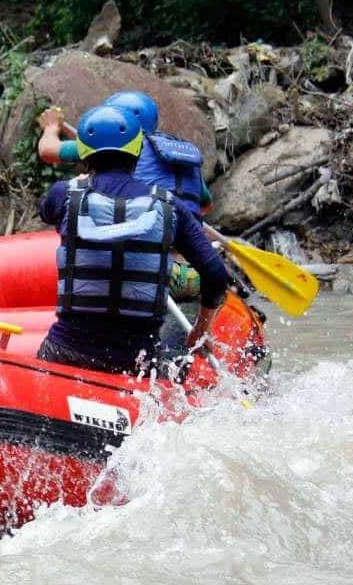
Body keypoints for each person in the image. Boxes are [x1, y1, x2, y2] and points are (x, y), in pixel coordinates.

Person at [37, 105, 230, 375]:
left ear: (83, 155)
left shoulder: (64, 195)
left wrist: (82, 182)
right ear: (137, 152)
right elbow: (216, 274)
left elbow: (47, 210)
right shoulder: (170, 207)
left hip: (67, 353)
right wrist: (201, 328)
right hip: (137, 362)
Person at [37, 90, 213, 217]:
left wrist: (51, 128)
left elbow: (47, 151)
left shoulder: (117, 146)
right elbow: (206, 207)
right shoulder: (180, 151)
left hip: (142, 241)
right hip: (187, 246)